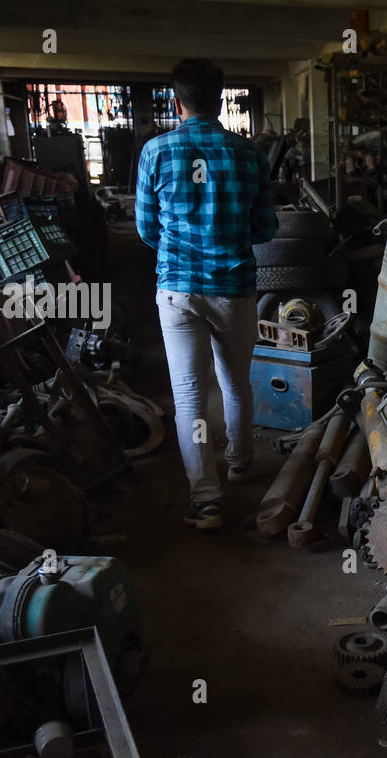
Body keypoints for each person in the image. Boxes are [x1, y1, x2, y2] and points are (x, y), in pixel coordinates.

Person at [136, 58, 276, 531]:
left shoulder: (156, 151)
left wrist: (181, 248)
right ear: (221, 100)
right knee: (235, 382)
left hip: (177, 289)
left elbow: (144, 228)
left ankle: (207, 500)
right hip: (233, 288)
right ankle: (240, 462)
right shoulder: (247, 153)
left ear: (178, 100)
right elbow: (266, 227)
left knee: (190, 397)